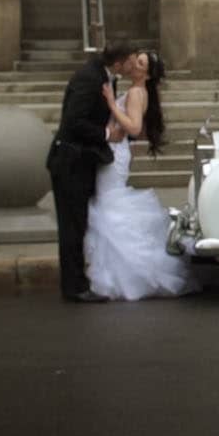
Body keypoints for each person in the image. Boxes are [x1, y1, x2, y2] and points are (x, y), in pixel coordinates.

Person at [83, 49, 199, 301]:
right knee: (108, 204)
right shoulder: (140, 92)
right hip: (116, 149)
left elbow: (134, 127)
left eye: (141, 62)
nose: (134, 62)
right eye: (137, 58)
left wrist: (113, 104)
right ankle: (114, 271)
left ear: (146, 73)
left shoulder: (137, 92)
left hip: (115, 153)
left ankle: (121, 273)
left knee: (108, 205)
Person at [46, 42, 138, 303]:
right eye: (131, 60)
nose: (134, 65)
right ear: (119, 62)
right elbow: (73, 122)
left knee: (79, 224)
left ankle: (78, 281)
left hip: (84, 161)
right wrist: (108, 134)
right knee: (72, 227)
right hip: (70, 163)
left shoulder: (105, 75)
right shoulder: (89, 78)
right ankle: (74, 287)